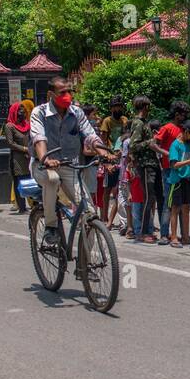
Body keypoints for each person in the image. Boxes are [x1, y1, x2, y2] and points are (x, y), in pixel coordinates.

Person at [29, 76, 111, 250]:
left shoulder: (77, 112)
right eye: (62, 92)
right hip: (42, 165)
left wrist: (105, 154)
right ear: (51, 94)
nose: (68, 95)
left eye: (69, 91)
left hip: (69, 166)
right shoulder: (40, 112)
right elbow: (39, 138)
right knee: (52, 179)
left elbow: (90, 136)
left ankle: (88, 263)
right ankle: (51, 227)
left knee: (89, 212)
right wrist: (46, 159)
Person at [153, 101, 190, 244]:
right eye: (183, 115)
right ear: (177, 114)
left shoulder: (183, 129)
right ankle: (164, 233)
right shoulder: (167, 128)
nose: (185, 117)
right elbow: (153, 144)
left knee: (181, 204)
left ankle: (182, 234)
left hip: (183, 170)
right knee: (169, 203)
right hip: (169, 169)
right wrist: (167, 153)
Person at [126, 95, 163, 243]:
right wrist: (149, 141)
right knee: (148, 198)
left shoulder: (144, 123)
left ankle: (152, 229)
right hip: (145, 165)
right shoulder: (138, 123)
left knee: (156, 197)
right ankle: (141, 232)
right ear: (145, 107)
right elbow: (133, 145)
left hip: (152, 163)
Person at [167, 120, 190, 247]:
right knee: (175, 209)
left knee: (186, 208)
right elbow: (174, 165)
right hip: (177, 181)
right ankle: (174, 236)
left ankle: (185, 236)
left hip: (187, 180)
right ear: (186, 132)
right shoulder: (175, 145)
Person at [98, 96, 128, 228]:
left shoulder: (125, 120)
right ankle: (104, 217)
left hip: (122, 157)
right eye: (116, 106)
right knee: (108, 189)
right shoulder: (107, 121)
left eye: (120, 106)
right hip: (110, 157)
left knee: (119, 190)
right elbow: (103, 140)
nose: (118, 108)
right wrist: (106, 159)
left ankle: (119, 219)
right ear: (111, 108)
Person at [5, 100, 33, 214]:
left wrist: (31, 150)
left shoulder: (27, 125)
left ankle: (32, 205)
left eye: (23, 110)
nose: (22, 112)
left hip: (29, 157)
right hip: (17, 158)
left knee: (30, 181)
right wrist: (24, 149)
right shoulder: (9, 126)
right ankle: (21, 207)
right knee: (19, 182)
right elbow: (10, 143)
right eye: (19, 110)